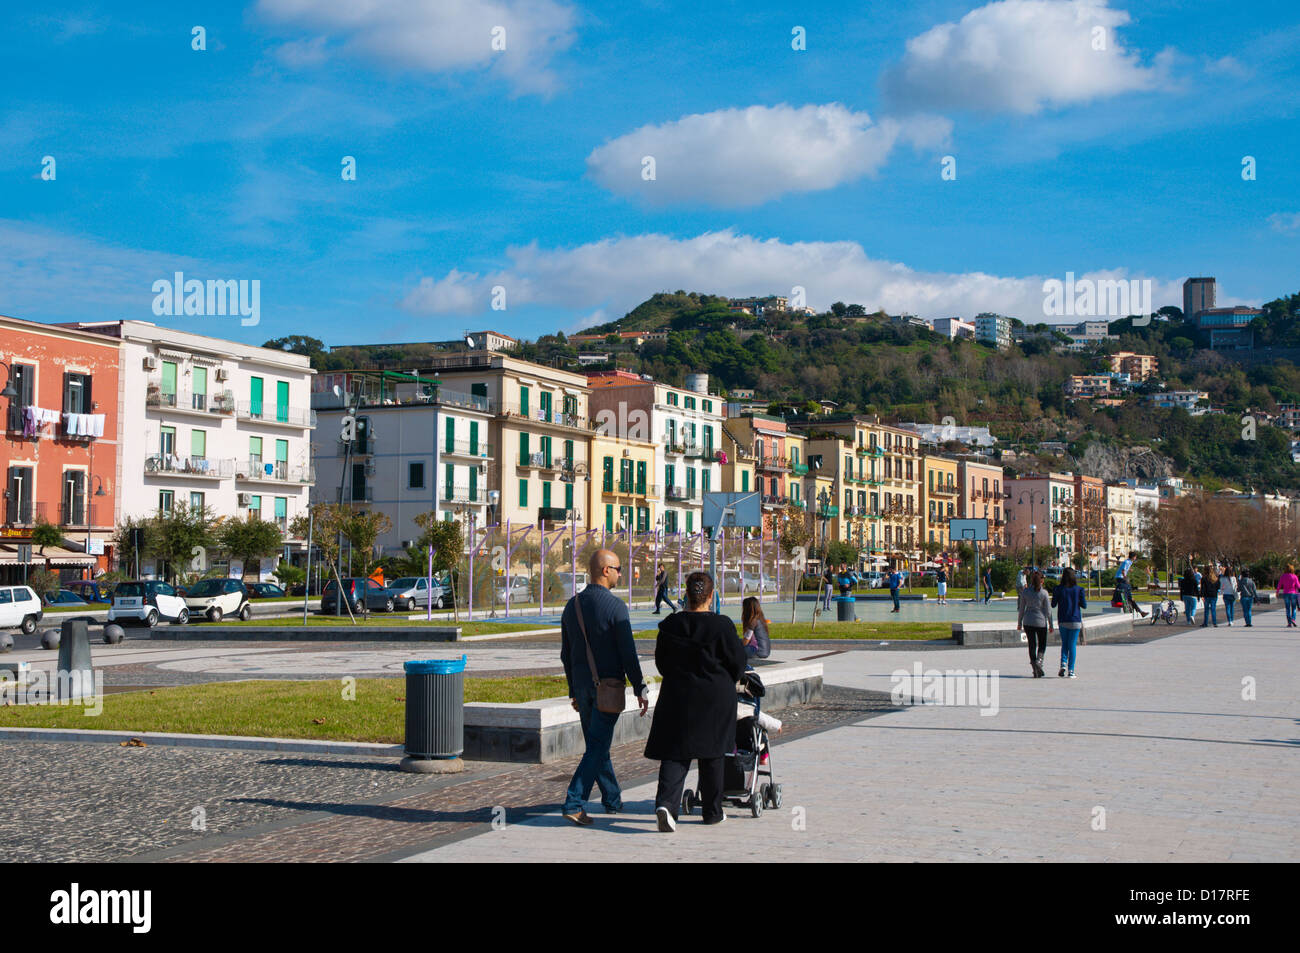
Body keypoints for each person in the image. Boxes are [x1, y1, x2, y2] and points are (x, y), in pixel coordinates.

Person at [645, 572, 748, 832]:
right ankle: (712, 811)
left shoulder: (670, 626)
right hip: (715, 698)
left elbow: (661, 664)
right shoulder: (722, 626)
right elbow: (738, 662)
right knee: (712, 752)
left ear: (686, 595)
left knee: (675, 751)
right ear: (711, 596)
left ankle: (667, 806)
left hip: (678, 695)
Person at [559, 549, 650, 826]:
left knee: (598, 746)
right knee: (597, 747)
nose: (621, 574)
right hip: (608, 689)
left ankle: (612, 798)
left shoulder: (571, 606)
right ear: (605, 570)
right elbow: (628, 652)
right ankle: (574, 803)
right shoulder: (615, 607)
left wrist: (573, 690)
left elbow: (566, 654)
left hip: (583, 688)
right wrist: (639, 686)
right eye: (619, 568)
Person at [1050, 567, 1086, 678]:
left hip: (1063, 620)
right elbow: (1084, 605)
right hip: (1075, 620)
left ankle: (1063, 664)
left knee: (1064, 643)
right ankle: (1071, 670)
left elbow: (1053, 605)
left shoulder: (1058, 589)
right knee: (1072, 645)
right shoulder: (1079, 589)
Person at [1017, 570, 1052, 677]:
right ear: (1041, 580)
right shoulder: (1044, 593)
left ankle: (1034, 668)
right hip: (1041, 622)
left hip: (1028, 621)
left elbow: (1021, 609)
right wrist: (1051, 624)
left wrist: (1019, 623)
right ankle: (1039, 662)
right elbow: (1048, 611)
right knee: (1042, 645)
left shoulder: (1025, 592)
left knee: (1031, 645)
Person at [1117, 551, 1148, 618]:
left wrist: (1129, 570)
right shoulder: (1127, 562)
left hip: (1121, 578)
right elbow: (1123, 570)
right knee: (1128, 593)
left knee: (1130, 597)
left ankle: (1140, 612)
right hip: (1120, 578)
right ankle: (1128, 605)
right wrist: (1125, 577)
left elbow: (1125, 569)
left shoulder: (1129, 562)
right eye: (1135, 557)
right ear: (1133, 557)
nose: (1136, 558)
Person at [1277, 563, 1300, 627]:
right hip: (1293, 594)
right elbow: (1298, 586)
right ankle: (1293, 619)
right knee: (1294, 608)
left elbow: (1279, 585)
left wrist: (1277, 592)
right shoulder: (1294, 576)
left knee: (1287, 609)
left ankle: (1289, 623)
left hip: (1286, 594)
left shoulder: (1283, 576)